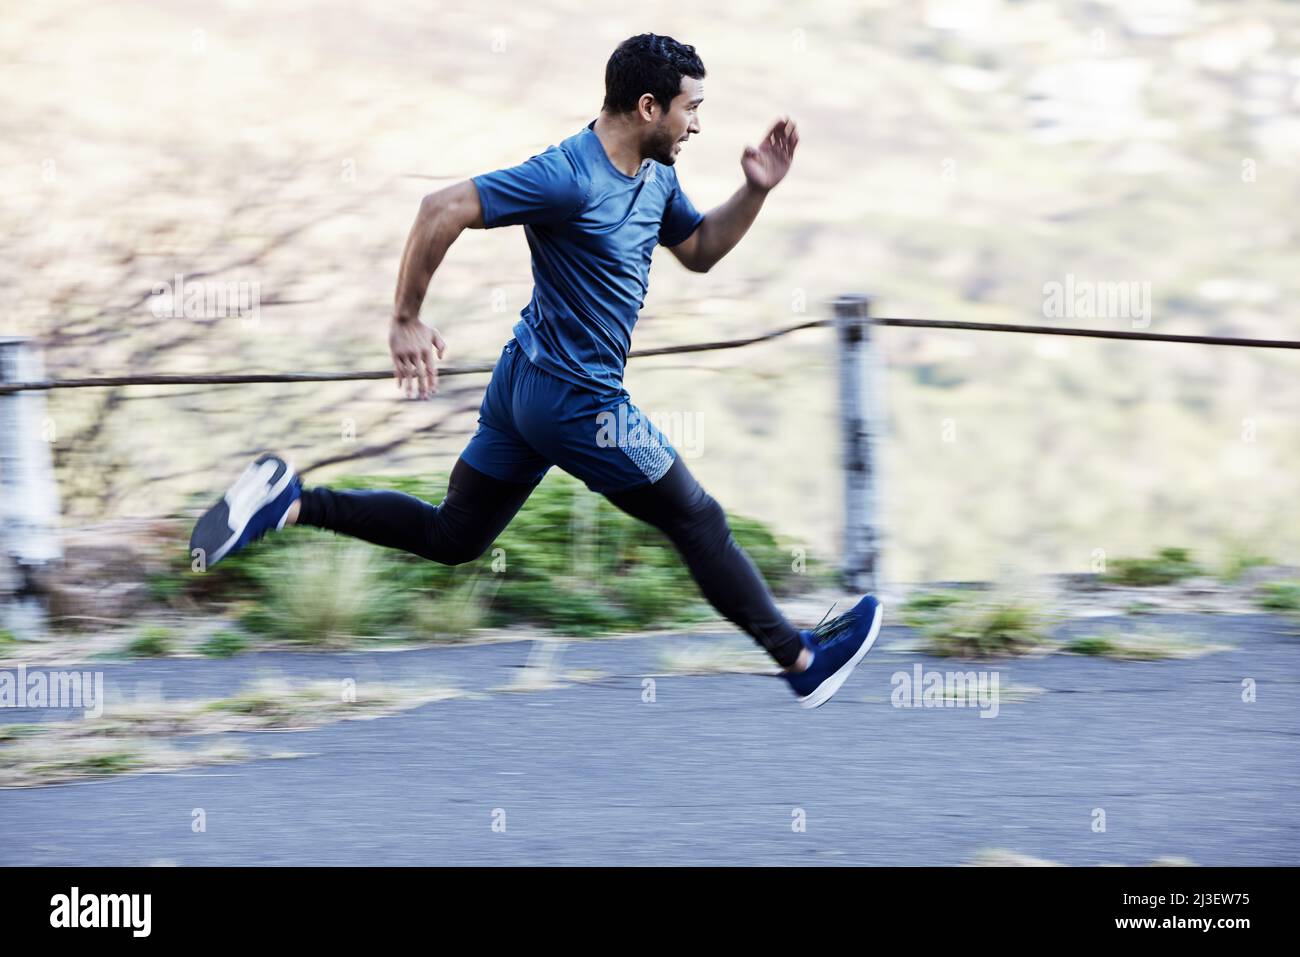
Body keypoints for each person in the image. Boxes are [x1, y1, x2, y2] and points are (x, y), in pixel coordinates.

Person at [190, 33, 881, 708]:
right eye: (690, 108)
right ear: (648, 107)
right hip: (580, 403)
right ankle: (800, 660)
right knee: (696, 516)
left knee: (453, 536)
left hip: (526, 383)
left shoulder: (655, 173)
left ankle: (287, 502)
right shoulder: (568, 176)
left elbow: (698, 247)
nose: (696, 124)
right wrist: (405, 317)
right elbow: (442, 207)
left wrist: (755, 190)